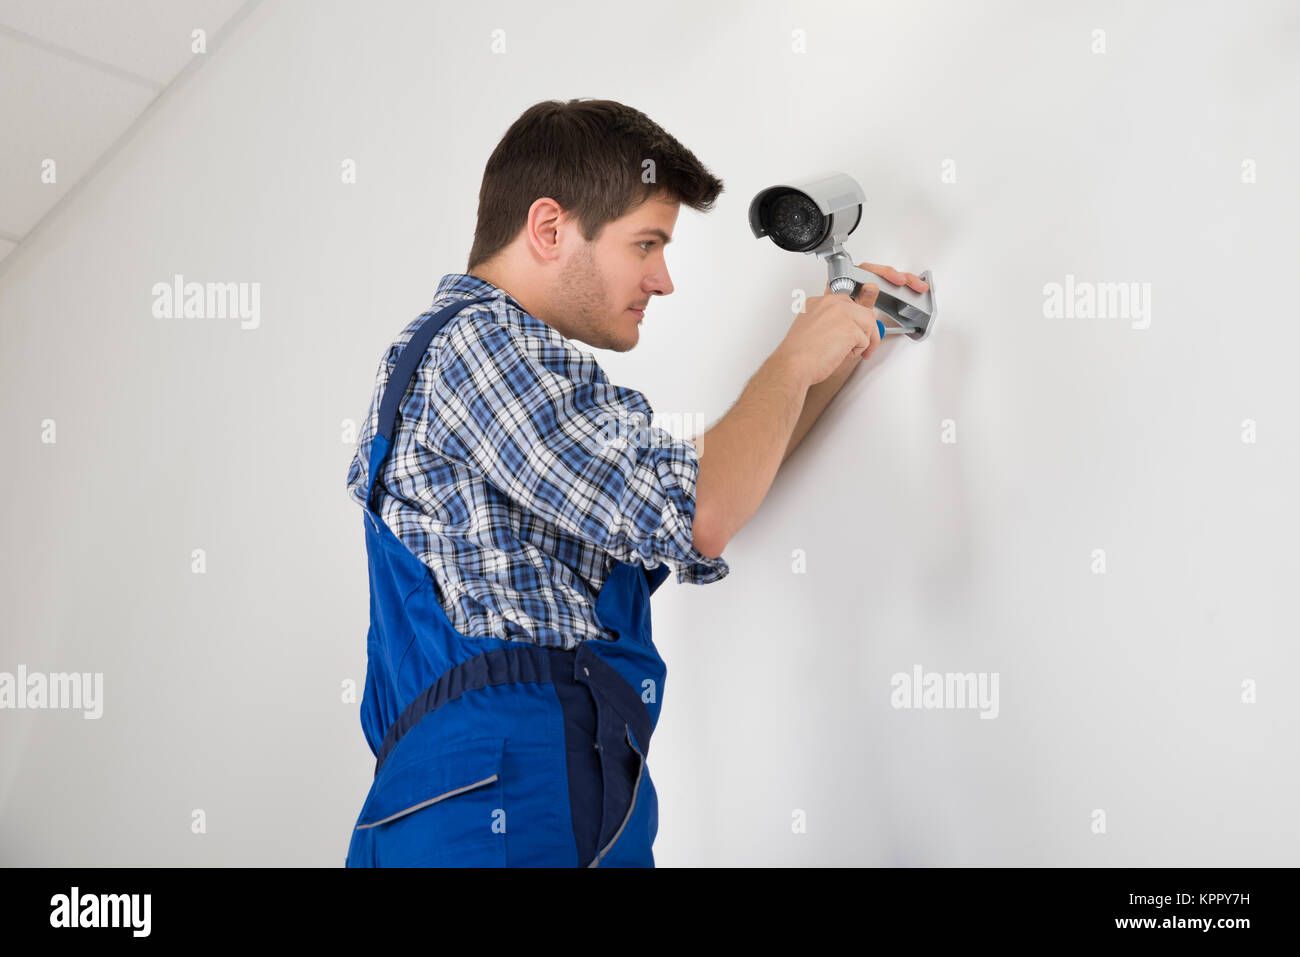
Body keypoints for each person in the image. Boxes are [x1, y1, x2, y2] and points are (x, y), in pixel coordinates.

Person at [343, 97, 929, 867]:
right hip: (504, 789)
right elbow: (699, 511)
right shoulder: (482, 344)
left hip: (503, 787)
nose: (663, 279)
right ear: (549, 228)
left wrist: (842, 343)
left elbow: (702, 492)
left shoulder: (522, 397)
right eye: (646, 243)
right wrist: (789, 361)